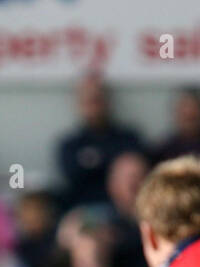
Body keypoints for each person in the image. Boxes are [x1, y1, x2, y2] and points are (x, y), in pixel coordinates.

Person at [55, 74, 146, 208]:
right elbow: (73, 177)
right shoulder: (69, 144)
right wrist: (111, 162)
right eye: (88, 101)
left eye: (97, 100)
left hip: (126, 211)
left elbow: (138, 173)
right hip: (83, 210)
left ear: (107, 101)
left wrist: (94, 162)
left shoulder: (129, 138)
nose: (93, 107)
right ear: (79, 104)